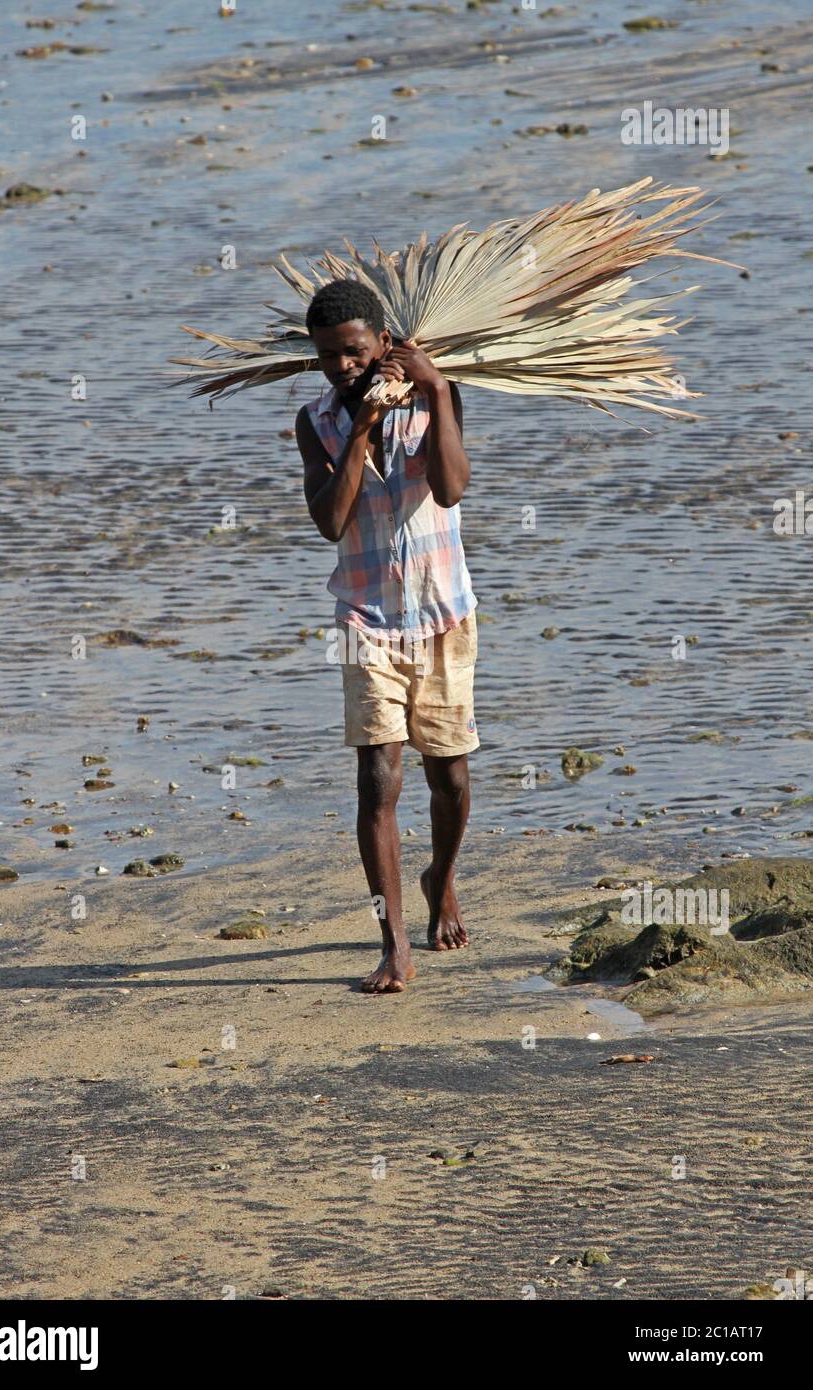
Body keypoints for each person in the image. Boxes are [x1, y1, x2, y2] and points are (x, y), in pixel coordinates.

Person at [295, 279, 479, 993]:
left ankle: (442, 878)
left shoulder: (440, 397)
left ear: (382, 342)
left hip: (443, 613)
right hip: (364, 620)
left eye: (353, 351)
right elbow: (330, 523)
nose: (342, 367)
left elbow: (453, 488)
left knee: (451, 777)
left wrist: (432, 393)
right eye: (328, 358)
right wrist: (361, 427)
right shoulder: (318, 423)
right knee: (378, 778)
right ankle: (392, 941)